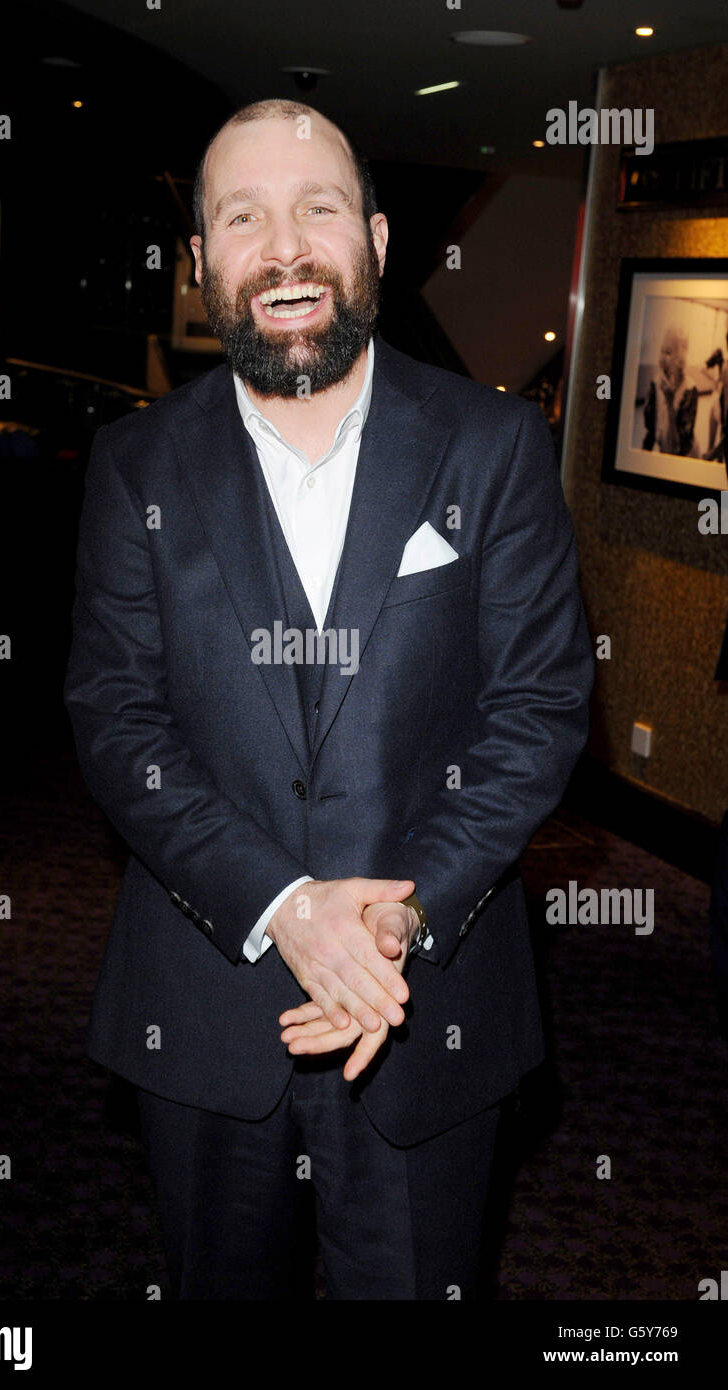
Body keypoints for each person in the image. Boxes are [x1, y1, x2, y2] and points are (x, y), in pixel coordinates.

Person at [64, 98, 595, 1301]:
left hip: (430, 1011)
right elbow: (117, 720)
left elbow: (539, 710)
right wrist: (283, 905)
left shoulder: (494, 446)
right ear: (200, 264)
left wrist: (389, 921)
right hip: (201, 1013)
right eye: (242, 217)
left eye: (318, 208)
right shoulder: (134, 465)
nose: (286, 246)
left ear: (379, 238)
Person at [642, 324, 699, 457]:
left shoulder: (690, 389)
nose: (662, 357)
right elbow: (650, 432)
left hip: (686, 457)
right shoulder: (655, 385)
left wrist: (669, 404)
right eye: (661, 350)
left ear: (680, 359)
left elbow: (680, 446)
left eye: (668, 352)